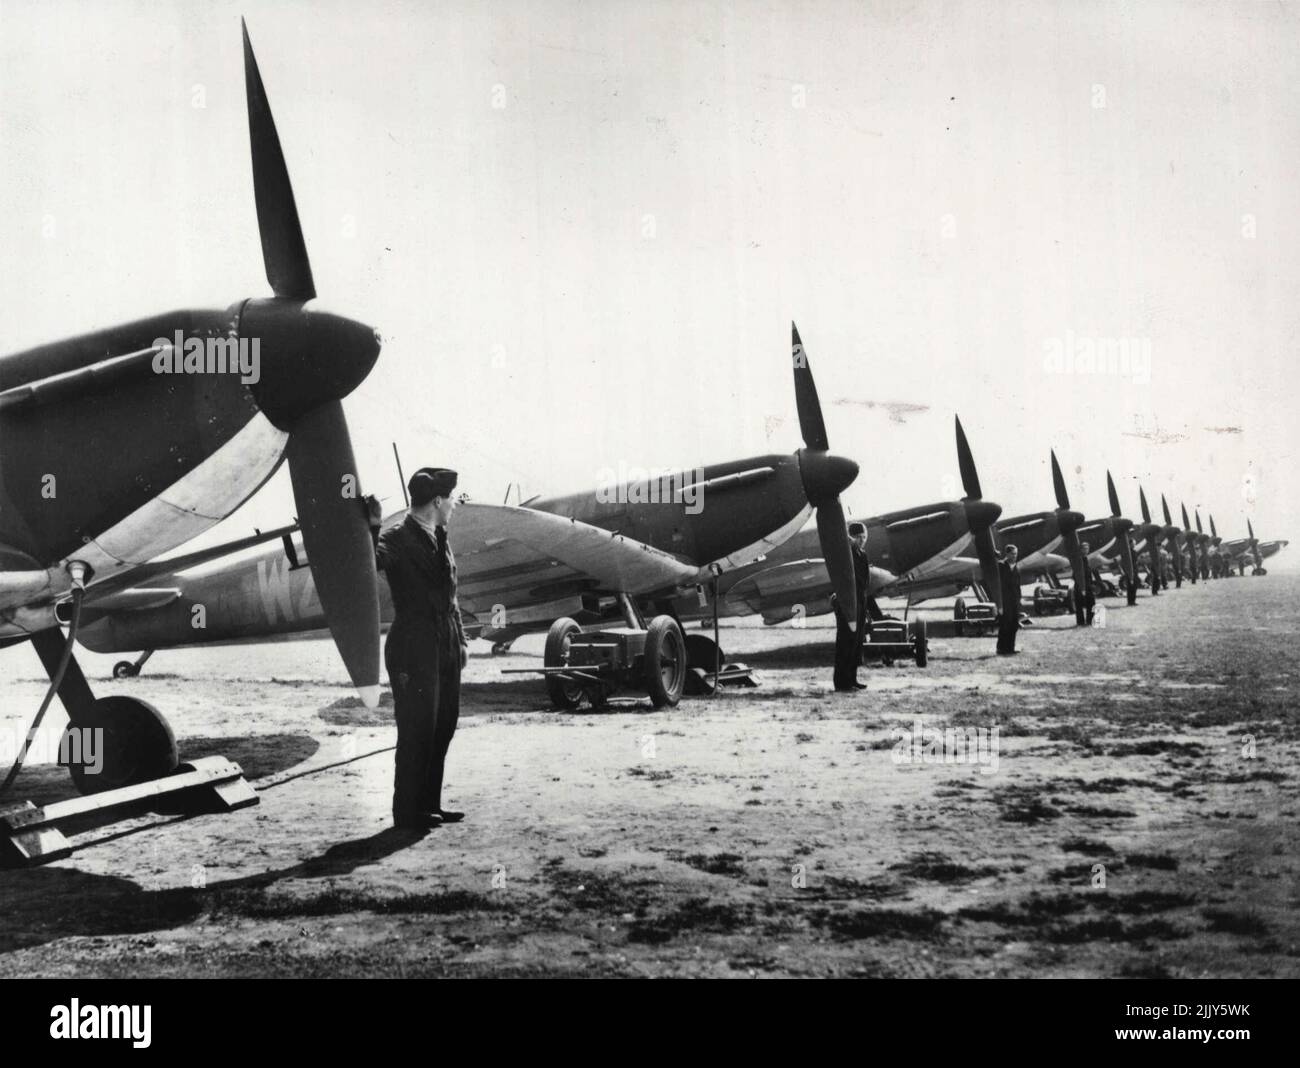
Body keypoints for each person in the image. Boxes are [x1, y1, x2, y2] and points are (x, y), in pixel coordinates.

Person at [365, 468, 468, 830]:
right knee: (417, 728)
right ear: (438, 501)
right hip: (413, 645)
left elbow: (450, 595)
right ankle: (407, 811)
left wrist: (461, 640)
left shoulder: (439, 535)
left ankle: (430, 804)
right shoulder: (396, 537)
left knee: (444, 724)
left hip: (446, 643)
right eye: (451, 499)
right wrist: (371, 526)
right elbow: (370, 561)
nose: (454, 504)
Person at [832, 521, 874, 692]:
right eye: (859, 537)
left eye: (864, 537)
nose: (862, 540)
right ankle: (842, 682)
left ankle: (852, 679)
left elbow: (865, 583)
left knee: (856, 643)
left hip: (860, 603)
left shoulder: (862, 554)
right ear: (851, 537)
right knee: (845, 642)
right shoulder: (845, 554)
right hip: (848, 604)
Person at [996, 544, 1021, 655]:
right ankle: (1001, 648)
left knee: (1014, 625)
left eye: (1016, 554)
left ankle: (1011, 648)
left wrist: (1019, 599)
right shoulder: (1000, 566)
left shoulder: (1017, 567)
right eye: (1012, 554)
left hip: (1014, 601)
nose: (1015, 556)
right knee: (1004, 625)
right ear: (1007, 554)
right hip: (1004, 601)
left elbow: (1018, 585)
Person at [1074, 542, 1095, 626]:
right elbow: (1076, 574)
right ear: (1081, 549)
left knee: (1091, 603)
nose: (1086, 550)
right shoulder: (1079, 560)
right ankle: (1080, 622)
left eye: (1087, 548)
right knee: (1079, 604)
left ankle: (1090, 621)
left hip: (1088, 585)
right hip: (1080, 585)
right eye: (1085, 548)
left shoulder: (1086, 559)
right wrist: (1081, 586)